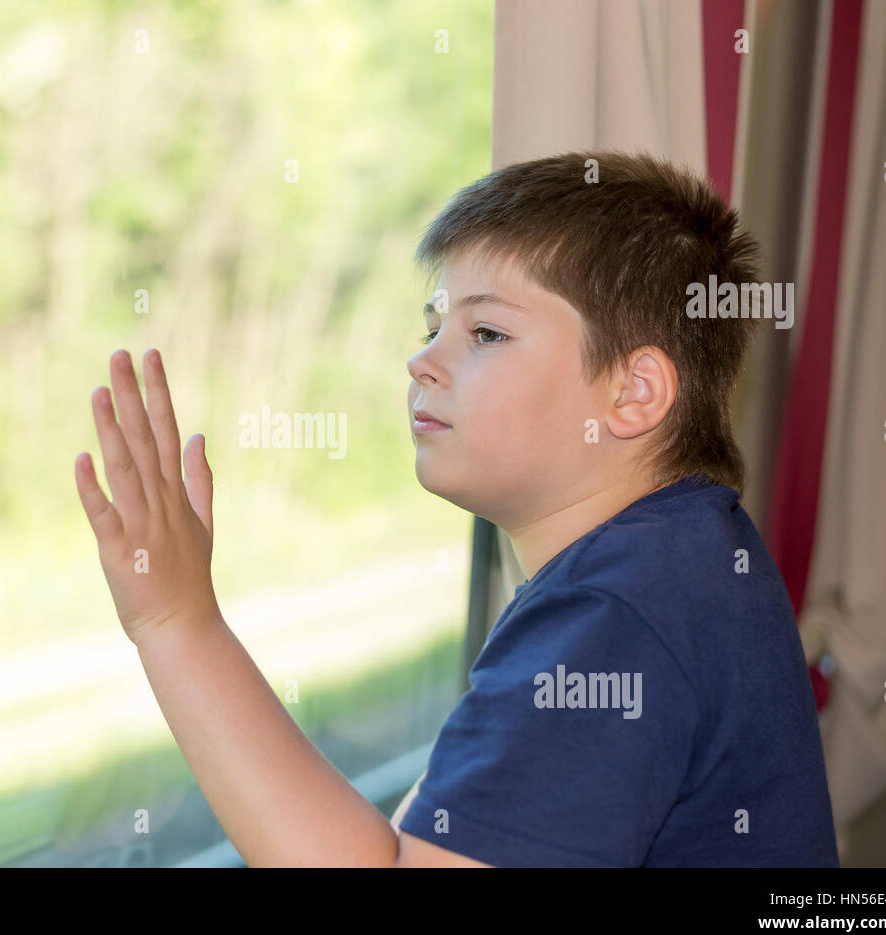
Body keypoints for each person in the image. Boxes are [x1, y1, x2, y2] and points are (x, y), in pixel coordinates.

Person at [73, 150, 839, 867]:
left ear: (634, 394)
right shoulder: (688, 553)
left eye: (486, 331)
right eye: (431, 326)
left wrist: (177, 623)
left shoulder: (615, 615)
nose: (421, 360)